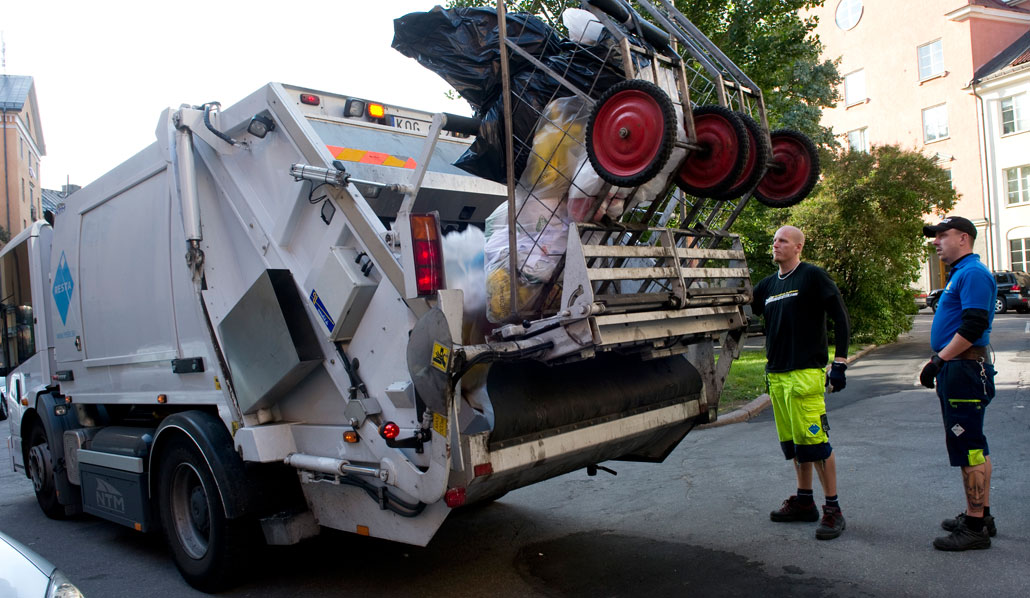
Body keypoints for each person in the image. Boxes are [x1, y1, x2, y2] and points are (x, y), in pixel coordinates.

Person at [751, 225, 850, 540]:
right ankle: (804, 501)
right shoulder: (767, 286)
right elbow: (744, 307)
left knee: (816, 445)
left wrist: (840, 362)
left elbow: (840, 316)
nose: (775, 244)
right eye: (774, 240)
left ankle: (833, 509)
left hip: (805, 375)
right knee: (796, 445)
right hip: (777, 376)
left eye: (782, 240)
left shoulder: (812, 276)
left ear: (798, 247)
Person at [918, 216, 997, 551]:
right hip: (960, 368)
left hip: (963, 369)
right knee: (976, 443)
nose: (936, 241)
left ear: (963, 238)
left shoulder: (973, 273)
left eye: (943, 235)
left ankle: (975, 527)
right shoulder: (962, 272)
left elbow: (974, 324)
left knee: (969, 446)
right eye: (934, 236)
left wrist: (939, 360)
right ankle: (981, 516)